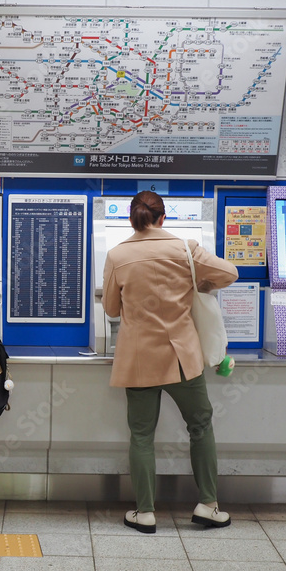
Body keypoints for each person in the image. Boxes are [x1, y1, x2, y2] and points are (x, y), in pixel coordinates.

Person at [102, 191, 238, 534]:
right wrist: (199, 284)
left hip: (138, 358)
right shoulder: (185, 248)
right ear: (163, 217)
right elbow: (230, 273)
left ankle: (145, 512)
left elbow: (111, 310)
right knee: (201, 426)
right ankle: (208, 505)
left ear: (132, 218)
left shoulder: (117, 255)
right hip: (181, 357)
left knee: (142, 436)